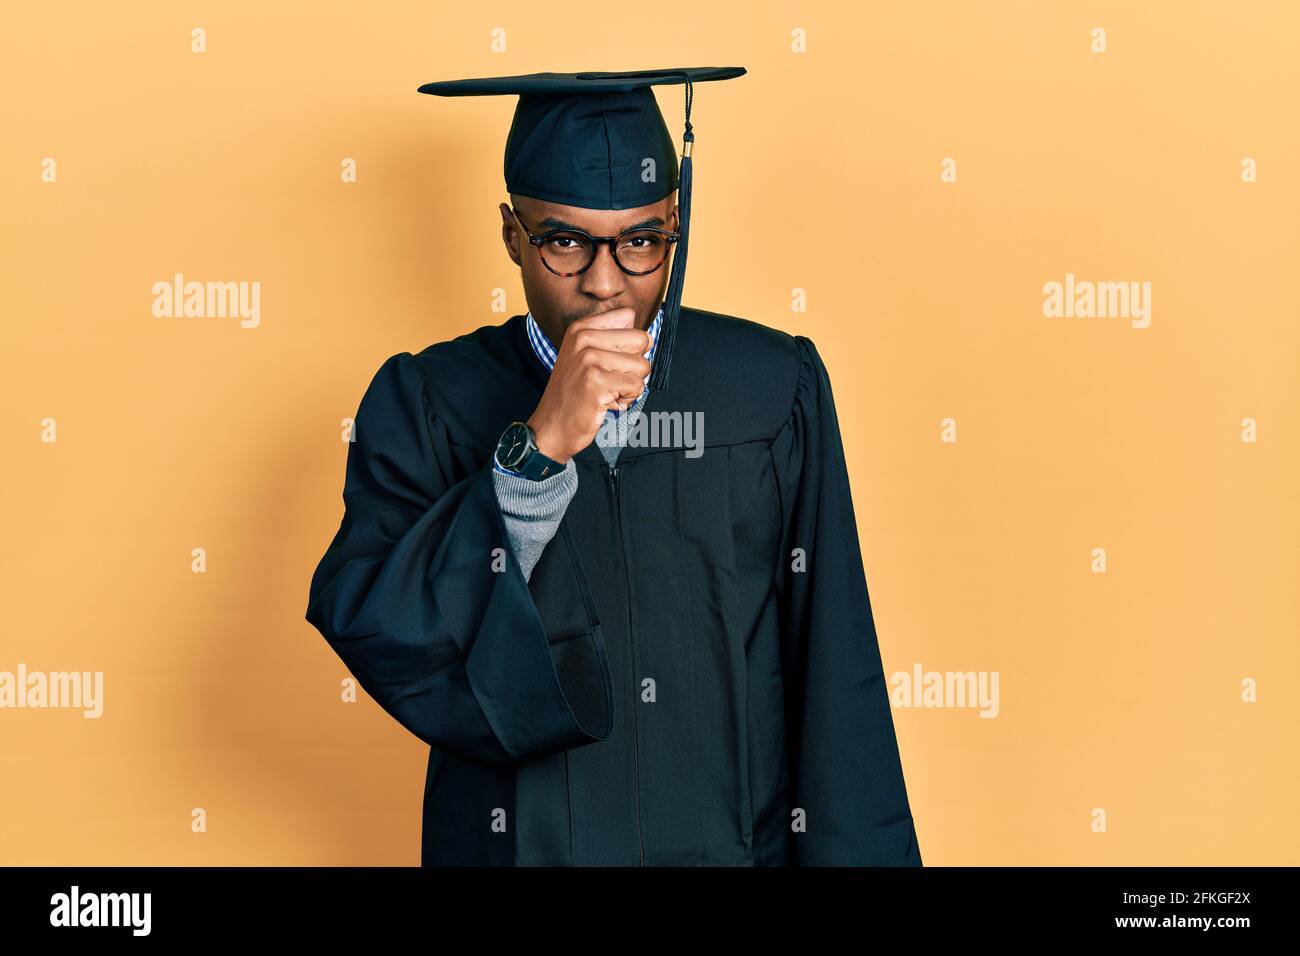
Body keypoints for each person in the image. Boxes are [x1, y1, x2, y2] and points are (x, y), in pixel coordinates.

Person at [305, 67, 923, 866]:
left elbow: (835, 671)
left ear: (678, 225)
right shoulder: (429, 400)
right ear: (510, 233)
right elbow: (378, 626)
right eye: (563, 241)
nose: (604, 283)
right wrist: (537, 449)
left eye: (641, 242)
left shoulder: (770, 388)